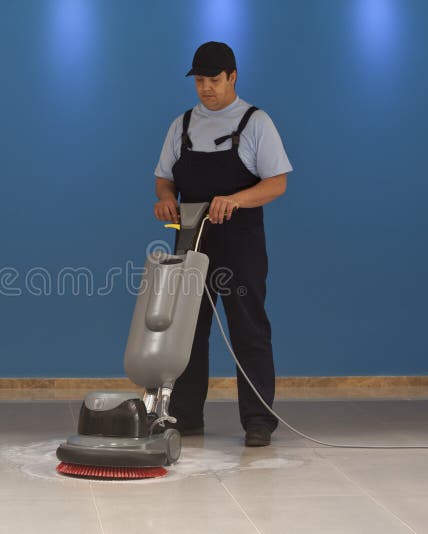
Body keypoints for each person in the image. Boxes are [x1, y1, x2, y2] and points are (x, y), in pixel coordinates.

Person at [153, 41, 292, 447]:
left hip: (240, 241)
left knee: (248, 327)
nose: (206, 88)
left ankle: (258, 420)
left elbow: (277, 183)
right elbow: (164, 178)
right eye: (199, 80)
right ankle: (185, 414)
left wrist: (235, 200)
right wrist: (165, 200)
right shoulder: (181, 125)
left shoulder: (255, 122)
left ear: (232, 77)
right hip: (191, 239)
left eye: (214, 79)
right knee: (187, 331)